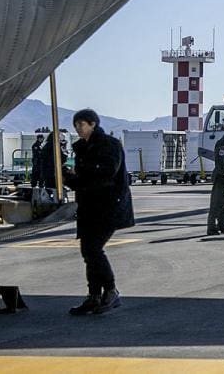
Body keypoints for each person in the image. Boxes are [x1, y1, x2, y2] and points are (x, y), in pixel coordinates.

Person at [63, 109, 134, 315]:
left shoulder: (109, 145)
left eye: (81, 124)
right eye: (76, 125)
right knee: (88, 251)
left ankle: (111, 291)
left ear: (93, 124)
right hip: (89, 206)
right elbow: (85, 180)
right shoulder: (83, 148)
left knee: (93, 249)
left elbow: (106, 172)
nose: (78, 129)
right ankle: (94, 295)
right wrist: (68, 178)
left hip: (107, 206)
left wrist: (79, 174)